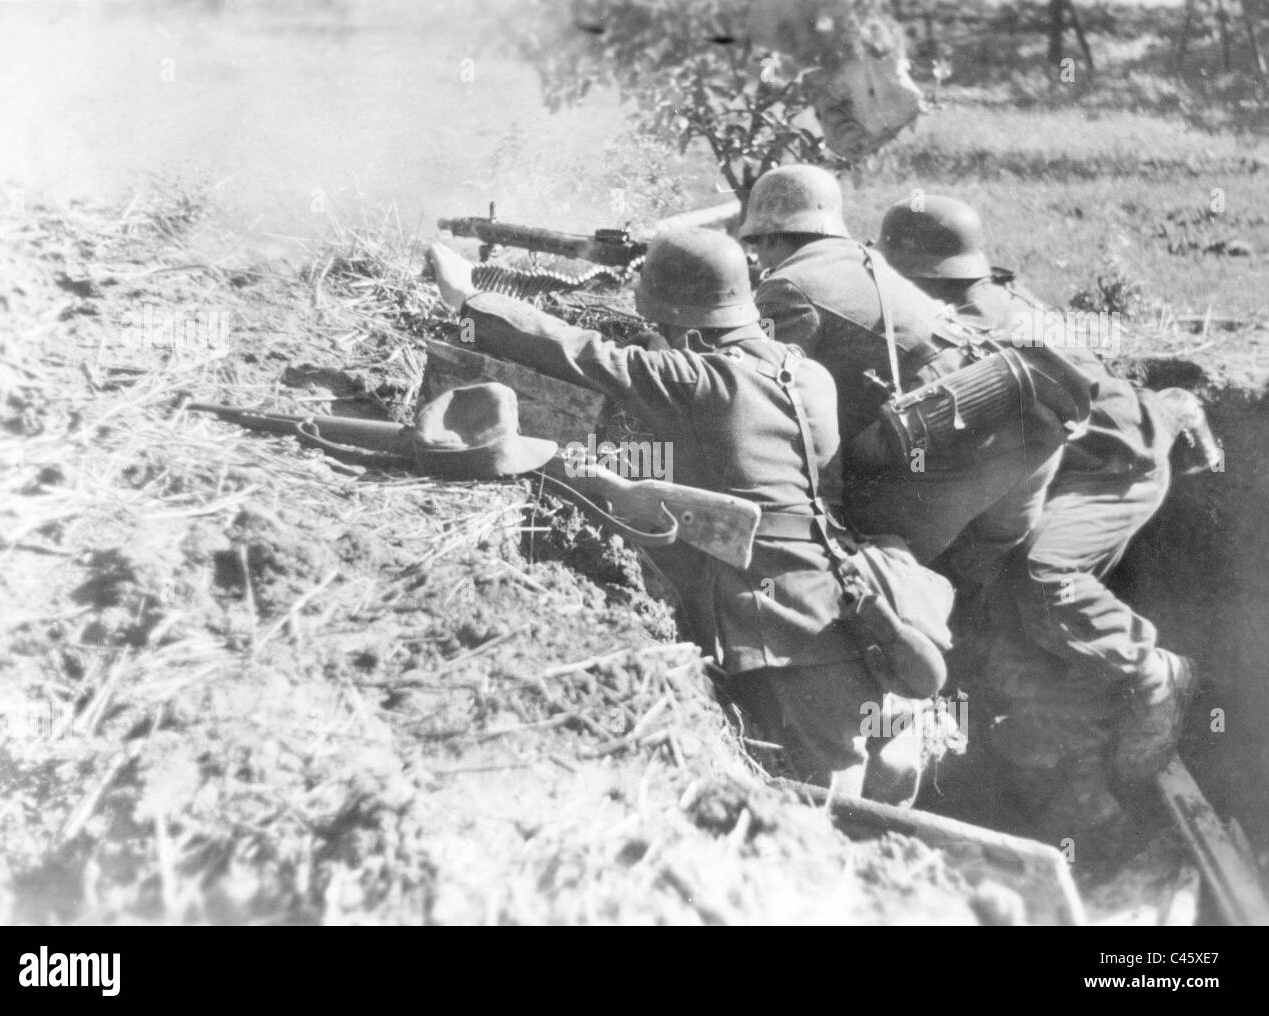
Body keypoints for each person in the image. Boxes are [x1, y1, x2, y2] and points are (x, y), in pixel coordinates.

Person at [427, 229, 934, 804]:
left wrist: (469, 299)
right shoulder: (808, 375)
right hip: (855, 612)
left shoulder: (698, 381)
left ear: (681, 325)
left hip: (788, 634)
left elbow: (585, 354)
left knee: (824, 812)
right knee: (874, 788)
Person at [877, 193, 1217, 852]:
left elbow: (1011, 448)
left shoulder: (977, 330)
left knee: (1041, 576)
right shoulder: (992, 301)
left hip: (1116, 471)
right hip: (1080, 461)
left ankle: (1154, 670)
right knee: (1017, 632)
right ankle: (1091, 817)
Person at [740, 165, 1067, 592]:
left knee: (847, 561)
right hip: (1012, 423)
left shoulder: (788, 288)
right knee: (968, 586)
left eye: (757, 243)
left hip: (953, 442)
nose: (757, 258)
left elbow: (755, 397)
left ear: (773, 234)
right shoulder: (865, 260)